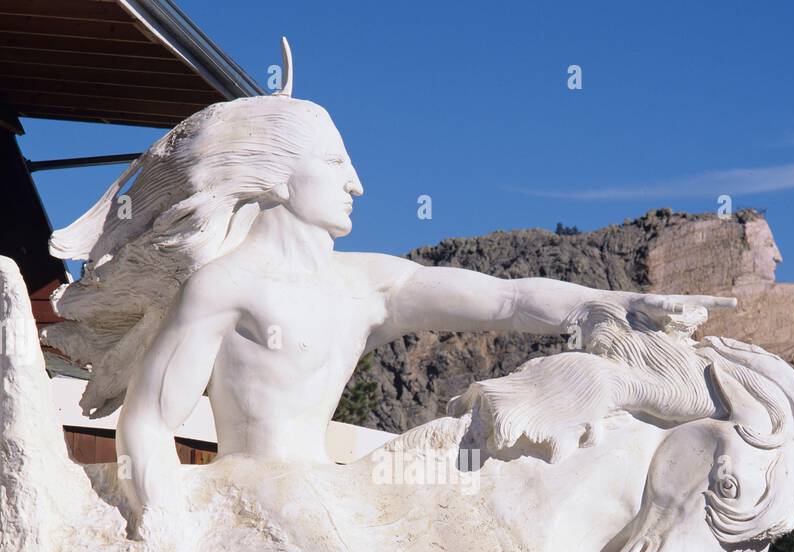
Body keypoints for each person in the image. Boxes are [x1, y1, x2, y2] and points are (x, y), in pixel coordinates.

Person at [44, 38, 734, 521]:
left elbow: (505, 299)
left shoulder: (367, 284)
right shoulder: (226, 286)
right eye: (338, 165)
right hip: (256, 505)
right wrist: (167, 529)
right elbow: (148, 421)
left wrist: (610, 303)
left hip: (329, 497)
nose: (359, 184)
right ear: (280, 175)